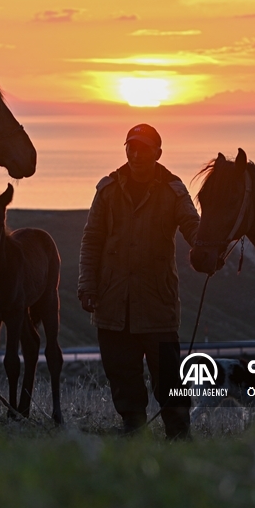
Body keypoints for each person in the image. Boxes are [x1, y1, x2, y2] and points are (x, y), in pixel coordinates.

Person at [78, 124, 200, 439]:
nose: (135, 155)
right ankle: (133, 428)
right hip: (112, 302)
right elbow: (92, 240)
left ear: (158, 153)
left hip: (156, 303)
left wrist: (209, 246)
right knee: (121, 372)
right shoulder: (107, 189)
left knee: (169, 375)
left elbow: (192, 225)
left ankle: (178, 432)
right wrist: (87, 286)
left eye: (143, 149)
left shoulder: (173, 189)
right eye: (130, 148)